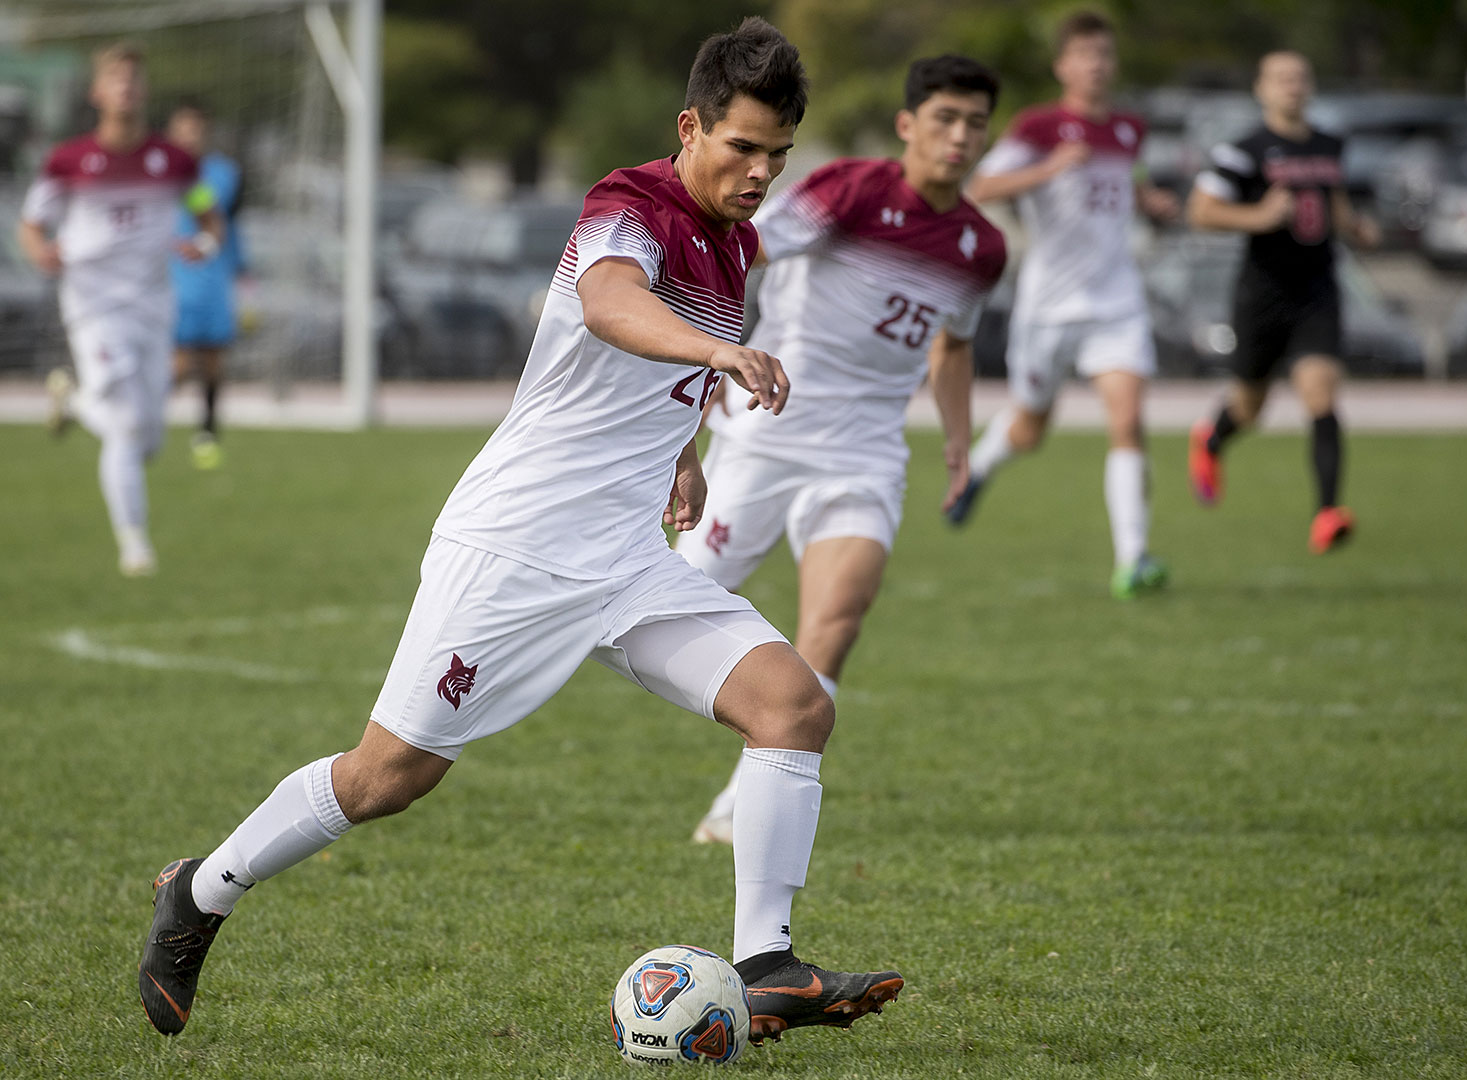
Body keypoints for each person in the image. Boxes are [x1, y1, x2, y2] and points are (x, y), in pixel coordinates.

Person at [136, 18, 903, 1046]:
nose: (762, 171)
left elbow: (659, 368)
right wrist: (722, 360)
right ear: (691, 126)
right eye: (743, 148)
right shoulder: (627, 208)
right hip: (514, 547)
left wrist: (684, 449)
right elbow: (609, 306)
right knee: (390, 776)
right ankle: (201, 891)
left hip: (627, 559)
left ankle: (765, 964)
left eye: (778, 154)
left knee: (795, 709)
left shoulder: (736, 240)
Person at [679, 55, 1007, 846]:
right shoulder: (851, 190)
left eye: (974, 123)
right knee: (666, 602)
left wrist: (959, 442)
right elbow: (738, 251)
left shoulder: (981, 247)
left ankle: (741, 803)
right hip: (766, 429)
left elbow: (953, 349)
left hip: (864, 454)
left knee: (836, 621)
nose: (959, 137)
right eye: (944, 119)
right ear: (908, 125)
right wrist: (711, 360)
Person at [945, 9, 1180, 600]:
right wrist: (1049, 168)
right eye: (1087, 56)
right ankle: (980, 469)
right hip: (1049, 305)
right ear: (1064, 66)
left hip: (1117, 301)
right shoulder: (1039, 127)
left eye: (1106, 56)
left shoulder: (1129, 129)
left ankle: (1133, 559)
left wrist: (1152, 201)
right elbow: (979, 187)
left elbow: (1132, 183)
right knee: (1031, 427)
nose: (1098, 66)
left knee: (1127, 421)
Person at [19, 42, 224, 577]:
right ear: (97, 91)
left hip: (153, 305)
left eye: (134, 79)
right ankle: (134, 544)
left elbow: (210, 220)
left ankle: (75, 399)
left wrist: (201, 247)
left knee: (148, 437)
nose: (126, 88)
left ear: (144, 90)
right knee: (128, 429)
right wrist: (39, 250)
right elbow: (31, 222)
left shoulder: (175, 162)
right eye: (116, 79)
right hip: (92, 302)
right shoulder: (68, 161)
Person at [1185, 50, 1380, 553]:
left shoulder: (1329, 145)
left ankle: (1326, 512)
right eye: (1281, 78)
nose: (1292, 86)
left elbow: (1334, 206)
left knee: (1320, 392)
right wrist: (1260, 216)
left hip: (1316, 290)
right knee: (1250, 406)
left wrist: (1356, 228)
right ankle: (1210, 438)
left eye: (1300, 78)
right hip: (1262, 295)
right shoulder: (1243, 150)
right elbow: (1201, 211)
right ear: (1261, 89)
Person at [167, 98, 244, 469]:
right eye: (183, 130)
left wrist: (243, 271)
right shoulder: (162, 172)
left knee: (212, 360)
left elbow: (221, 223)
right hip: (172, 278)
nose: (190, 137)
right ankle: (147, 423)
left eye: (196, 130)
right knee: (177, 363)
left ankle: (207, 432)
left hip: (213, 278)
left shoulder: (220, 175)